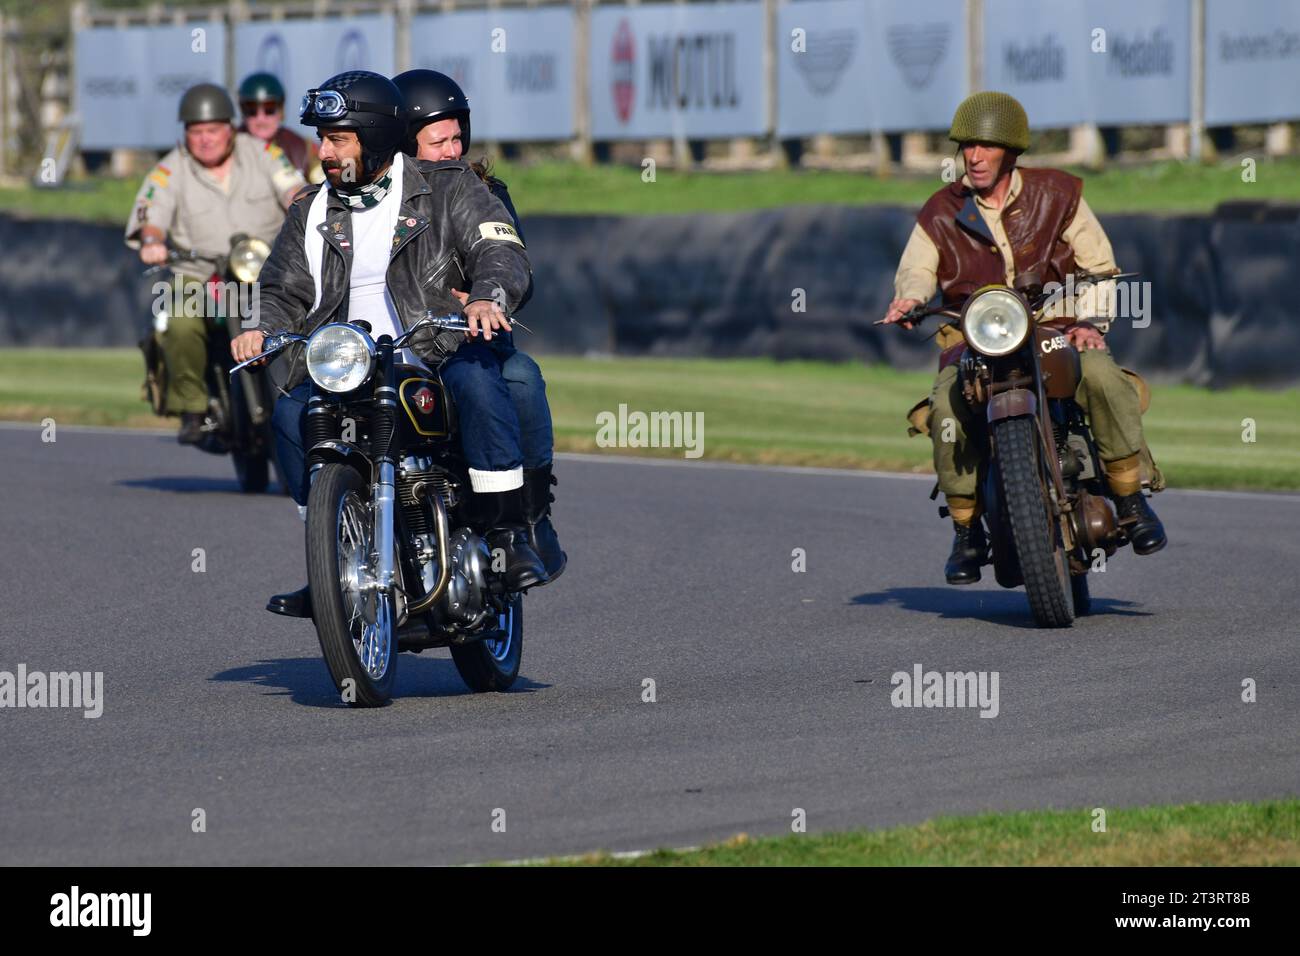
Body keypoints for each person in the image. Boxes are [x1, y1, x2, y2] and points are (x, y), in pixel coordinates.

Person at [229, 70, 544, 619]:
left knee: (477, 380)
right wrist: (260, 325)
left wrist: (485, 297)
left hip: (436, 348)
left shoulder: (448, 188)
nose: (324, 150)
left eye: (337, 138)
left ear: (373, 139)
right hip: (346, 361)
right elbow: (282, 288)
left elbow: (501, 250)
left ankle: (507, 536)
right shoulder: (310, 210)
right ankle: (329, 558)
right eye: (323, 138)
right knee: (288, 412)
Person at [880, 91, 1166, 584]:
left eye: (986, 146)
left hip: (1056, 327)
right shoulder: (940, 210)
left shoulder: (1059, 193)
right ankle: (967, 532)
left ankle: (1130, 499)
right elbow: (917, 271)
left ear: (1010, 152)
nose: (974, 156)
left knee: (1101, 375)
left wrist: (1089, 325)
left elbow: (1100, 267)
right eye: (967, 146)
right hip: (975, 339)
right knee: (946, 408)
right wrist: (908, 299)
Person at [392, 68, 564, 581]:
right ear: (402, 143)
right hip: (392, 347)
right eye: (437, 140)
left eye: (457, 137)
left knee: (522, 378)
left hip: (470, 343)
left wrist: (487, 297)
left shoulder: (483, 190)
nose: (451, 150)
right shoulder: (375, 199)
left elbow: (510, 257)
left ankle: (529, 520)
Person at [125, 82, 305, 443]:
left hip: (264, 269)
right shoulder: (169, 170)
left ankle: (316, 398)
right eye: (196, 132)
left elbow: (292, 188)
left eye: (213, 130)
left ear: (230, 129)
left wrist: (302, 204)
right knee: (178, 320)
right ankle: (194, 407)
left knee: (308, 312)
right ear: (186, 134)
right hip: (201, 276)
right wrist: (152, 242)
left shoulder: (264, 154)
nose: (205, 139)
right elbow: (152, 217)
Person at [237, 71, 324, 184]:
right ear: (243, 112)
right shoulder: (229, 147)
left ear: (281, 110)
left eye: (269, 109)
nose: (261, 119)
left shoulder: (302, 149)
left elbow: (324, 186)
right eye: (251, 110)